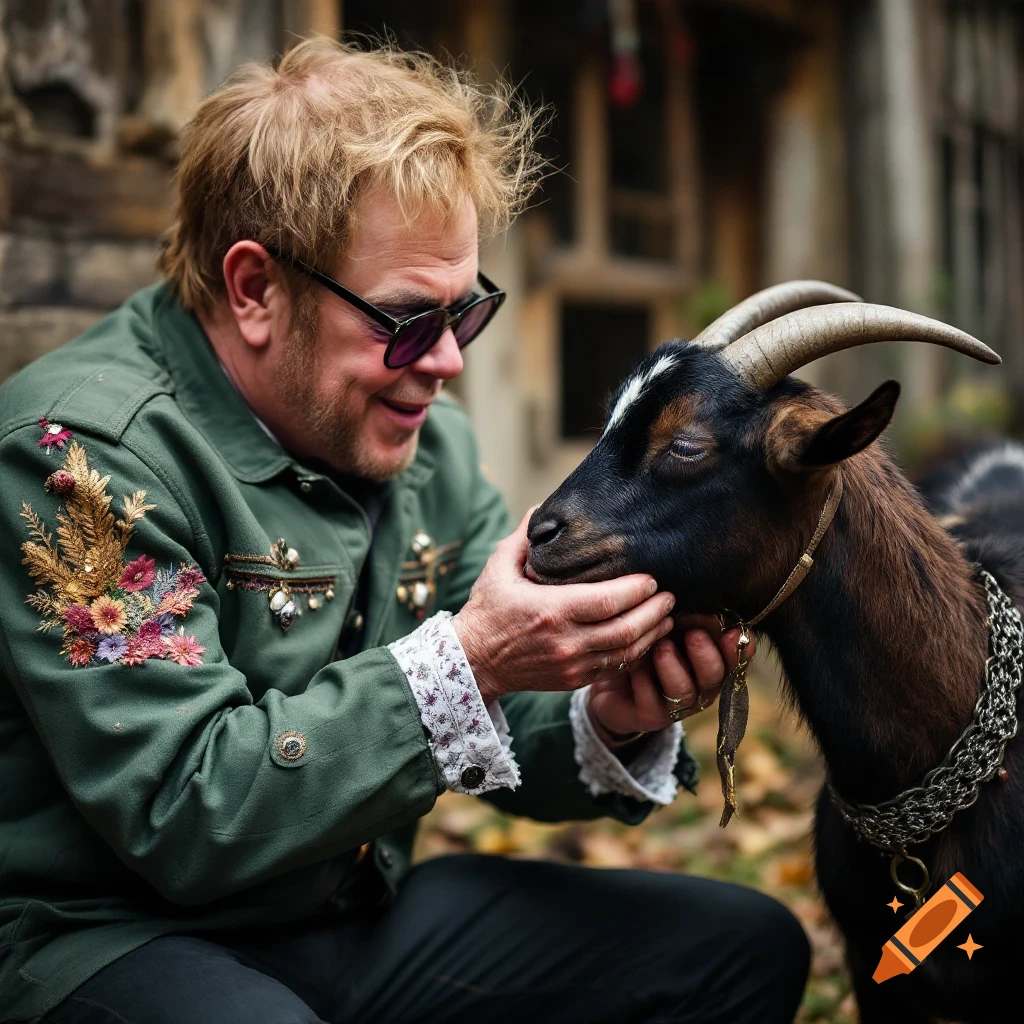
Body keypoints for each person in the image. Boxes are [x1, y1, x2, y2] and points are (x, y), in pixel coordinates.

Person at [0, 37, 809, 1024]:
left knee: (743, 950)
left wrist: (608, 712)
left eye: (464, 314)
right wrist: (469, 660)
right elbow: (185, 809)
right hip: (102, 937)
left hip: (346, 917)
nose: (448, 363)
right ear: (255, 289)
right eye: (406, 320)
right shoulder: (78, 457)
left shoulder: (427, 443)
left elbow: (496, 720)